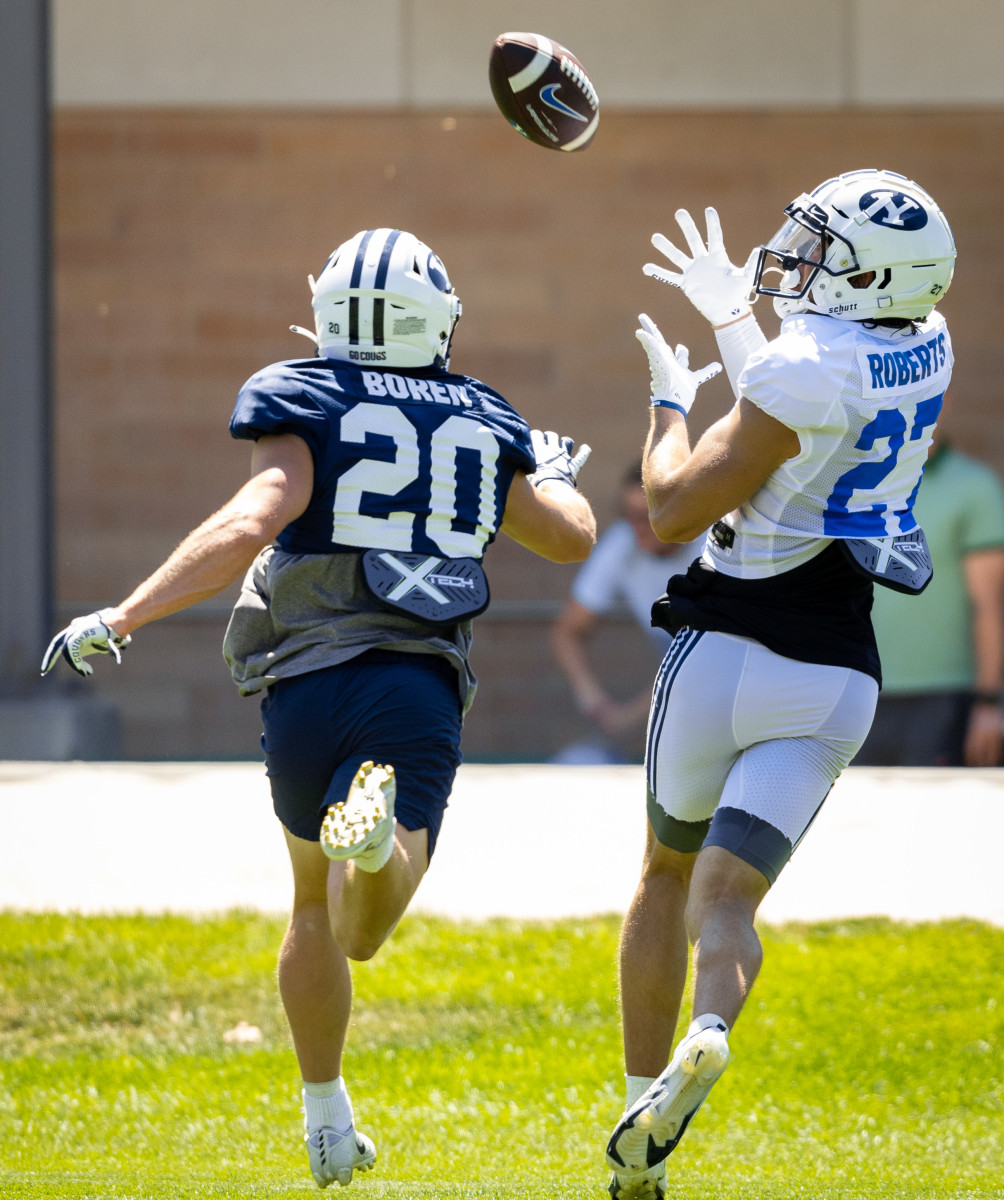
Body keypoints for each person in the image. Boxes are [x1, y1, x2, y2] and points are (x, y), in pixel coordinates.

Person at [40, 227, 596, 1189]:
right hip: (409, 678)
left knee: (308, 901)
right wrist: (548, 473)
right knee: (364, 926)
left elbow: (255, 518)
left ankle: (327, 1121)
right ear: (437, 319)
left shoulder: (302, 391)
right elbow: (570, 541)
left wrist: (126, 612)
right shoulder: (485, 413)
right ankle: (377, 845)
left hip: (298, 683)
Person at [601, 171, 956, 1200]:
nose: (795, 260)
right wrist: (734, 321)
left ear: (870, 275)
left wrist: (669, 404)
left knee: (664, 878)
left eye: (822, 250)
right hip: (836, 674)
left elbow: (670, 506)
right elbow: (804, 407)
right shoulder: (925, 339)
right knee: (729, 903)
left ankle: (636, 1109)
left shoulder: (804, 363)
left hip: (724, 650)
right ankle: (707, 1029)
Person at [853, 422, 1004, 766]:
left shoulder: (974, 487)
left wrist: (990, 703)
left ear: (945, 394)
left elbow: (990, 604)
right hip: (850, 691)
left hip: (941, 699)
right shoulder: (845, 484)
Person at [551, 461, 703, 762]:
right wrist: (592, 698)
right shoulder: (624, 541)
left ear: (680, 511)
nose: (636, 528)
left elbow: (698, 670)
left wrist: (626, 718)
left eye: (646, 517)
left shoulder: (713, 547)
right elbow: (567, 632)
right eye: (628, 515)